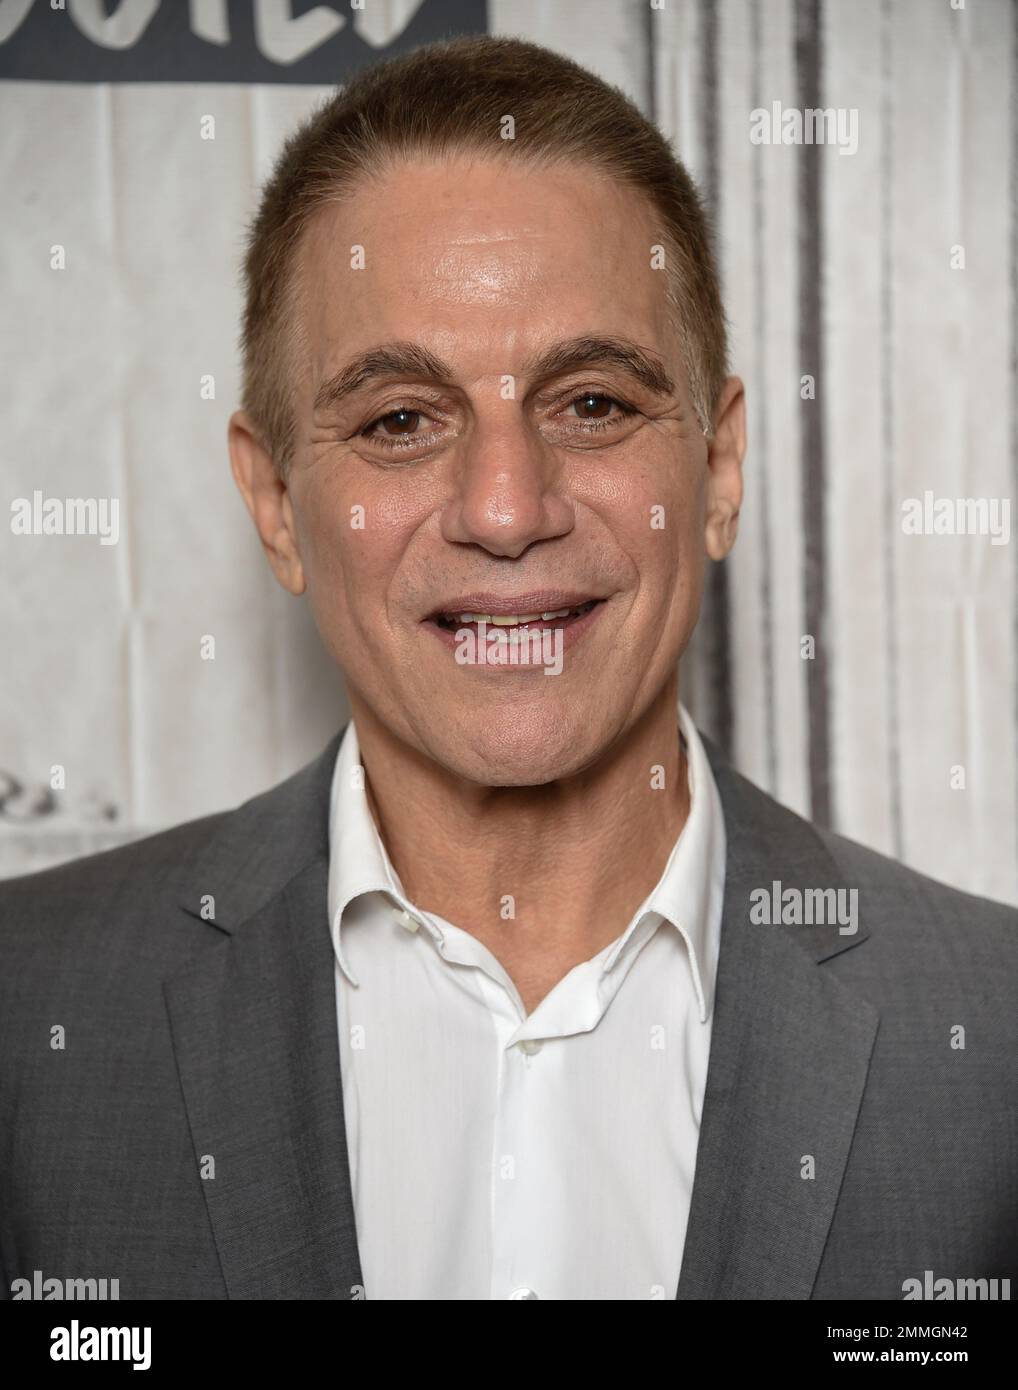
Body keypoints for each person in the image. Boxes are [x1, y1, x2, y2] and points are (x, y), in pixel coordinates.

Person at [1, 35, 1015, 1302]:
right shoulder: (26, 1012)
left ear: (716, 471)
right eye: (399, 420)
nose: (502, 505)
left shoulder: (992, 1039)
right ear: (273, 505)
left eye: (590, 402)